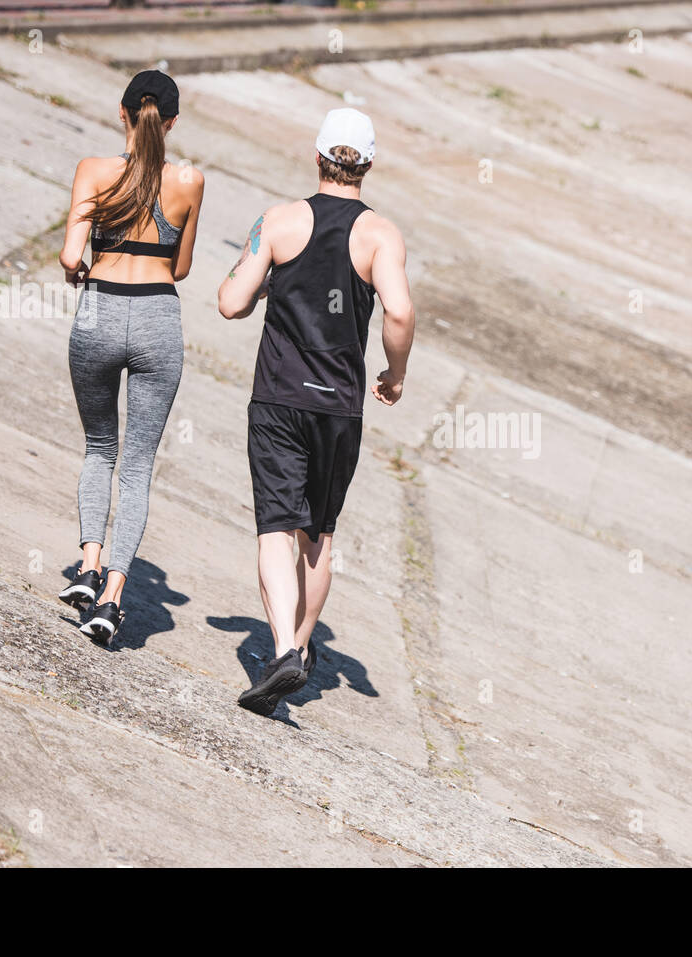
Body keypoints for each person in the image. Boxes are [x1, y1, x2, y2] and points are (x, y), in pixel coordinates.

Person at [218, 107, 414, 716]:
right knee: (318, 536)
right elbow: (401, 313)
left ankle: (279, 651)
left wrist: (268, 279)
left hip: (279, 397)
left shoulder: (278, 220)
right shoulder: (381, 234)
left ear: (318, 154)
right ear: (370, 164)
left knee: (275, 524)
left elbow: (229, 303)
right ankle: (300, 650)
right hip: (340, 408)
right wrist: (396, 373)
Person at [56, 70, 205, 644]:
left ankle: (88, 563)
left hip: (97, 312)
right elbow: (182, 268)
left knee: (99, 447)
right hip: (156, 320)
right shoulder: (190, 181)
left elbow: (72, 255)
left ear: (123, 114)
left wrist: (84, 261)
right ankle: (113, 599)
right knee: (138, 465)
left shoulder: (92, 171)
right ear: (170, 123)